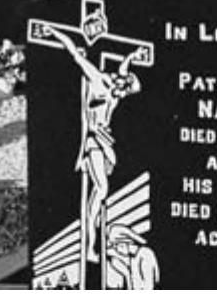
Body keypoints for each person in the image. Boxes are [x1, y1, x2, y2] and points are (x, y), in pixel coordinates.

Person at [41, 23, 151, 265]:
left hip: (105, 142)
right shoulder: (99, 80)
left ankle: (92, 234)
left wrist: (132, 56)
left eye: (126, 90)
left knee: (102, 192)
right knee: (100, 190)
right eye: (125, 86)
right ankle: (89, 244)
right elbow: (73, 54)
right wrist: (54, 33)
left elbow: (123, 66)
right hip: (93, 141)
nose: (122, 92)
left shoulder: (113, 92)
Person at [104, 224, 160, 289]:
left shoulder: (145, 253)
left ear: (123, 244)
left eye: (116, 247)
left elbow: (148, 286)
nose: (117, 251)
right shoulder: (133, 258)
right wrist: (126, 273)